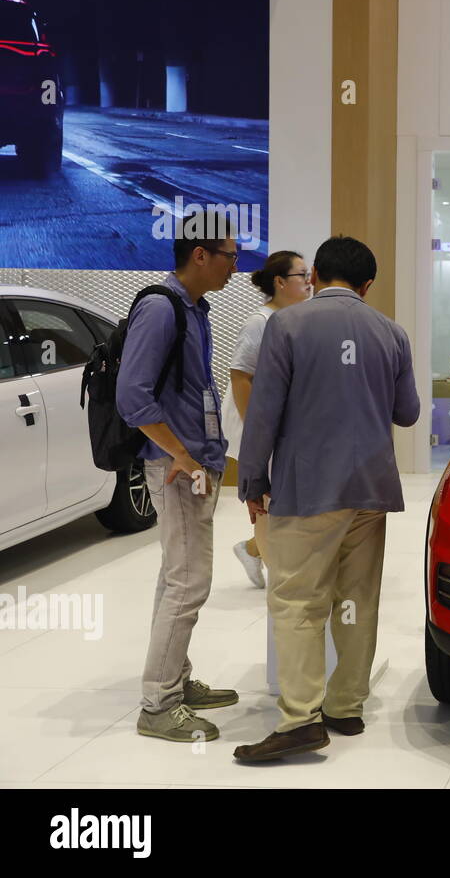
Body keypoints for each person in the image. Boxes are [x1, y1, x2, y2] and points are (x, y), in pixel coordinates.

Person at [234, 235, 420, 762]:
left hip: (308, 486)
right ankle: (346, 706)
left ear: (314, 275)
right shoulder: (392, 333)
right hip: (371, 487)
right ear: (367, 285)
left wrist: (252, 482)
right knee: (355, 599)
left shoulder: (286, 325)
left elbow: (264, 412)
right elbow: (407, 414)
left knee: (297, 600)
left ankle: (299, 720)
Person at [117, 212, 240, 744]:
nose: (237, 265)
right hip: (174, 470)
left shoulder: (196, 309)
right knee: (189, 582)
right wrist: (181, 456)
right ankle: (159, 703)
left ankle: (175, 680)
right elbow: (132, 397)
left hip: (193, 462)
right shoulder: (160, 309)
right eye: (230, 255)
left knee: (177, 576)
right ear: (200, 255)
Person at [223, 251, 312, 587]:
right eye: (301, 275)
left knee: (280, 497)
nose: (308, 282)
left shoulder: (295, 318)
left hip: (281, 425)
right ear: (280, 282)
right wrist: (255, 431)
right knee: (266, 498)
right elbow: (240, 376)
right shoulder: (259, 322)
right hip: (258, 425)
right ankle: (279, 576)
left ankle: (253, 549)